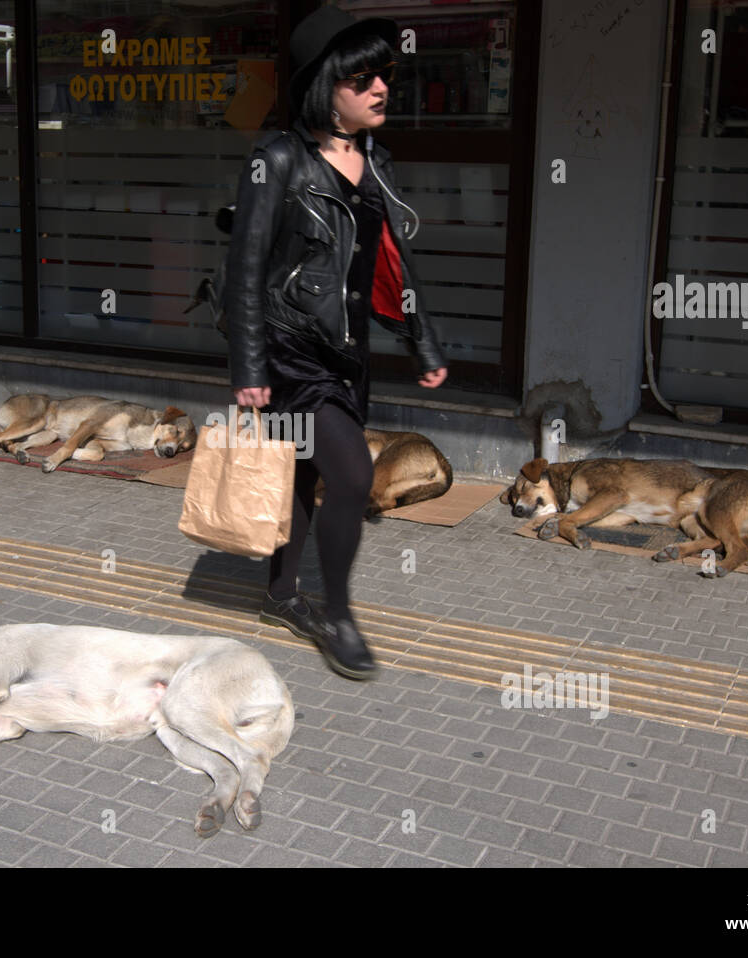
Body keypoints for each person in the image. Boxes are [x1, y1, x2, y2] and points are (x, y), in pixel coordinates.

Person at [224, 5, 447, 681]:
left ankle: (282, 594)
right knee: (352, 477)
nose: (381, 88)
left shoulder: (375, 162)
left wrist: (424, 344)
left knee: (305, 471)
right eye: (363, 78)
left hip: (347, 356)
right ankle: (337, 614)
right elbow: (247, 267)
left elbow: (391, 262)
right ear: (327, 85)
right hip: (292, 355)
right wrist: (251, 366)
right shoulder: (280, 158)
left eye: (385, 74)